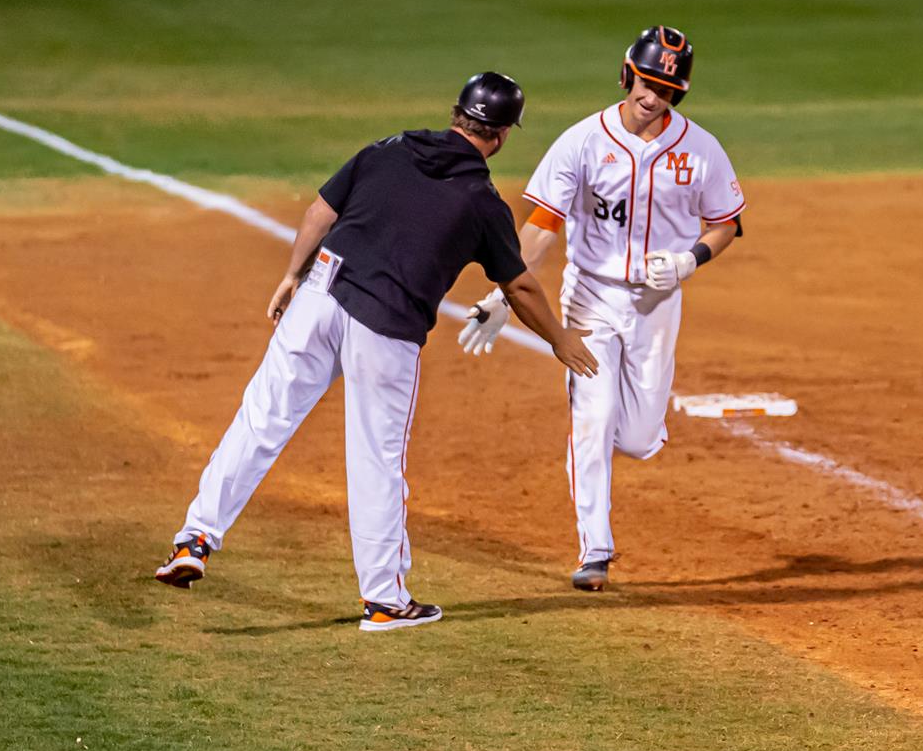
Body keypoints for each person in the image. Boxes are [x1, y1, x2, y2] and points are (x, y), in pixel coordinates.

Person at [155, 72, 598, 630]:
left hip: (320, 293)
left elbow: (322, 210)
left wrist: (291, 276)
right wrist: (559, 339)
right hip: (385, 327)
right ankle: (385, 600)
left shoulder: (389, 148)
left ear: (457, 113)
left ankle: (193, 539)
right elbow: (521, 286)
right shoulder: (482, 201)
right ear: (504, 134)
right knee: (376, 459)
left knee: (261, 419)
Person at [458, 28, 745, 591]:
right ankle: (595, 548)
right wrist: (502, 292)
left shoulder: (700, 148)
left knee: (636, 437)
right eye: (646, 81)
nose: (652, 95)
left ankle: (618, 430)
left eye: (665, 87)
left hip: (658, 303)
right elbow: (542, 227)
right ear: (627, 74)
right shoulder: (582, 142)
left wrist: (689, 261)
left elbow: (726, 223)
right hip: (590, 297)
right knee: (591, 415)